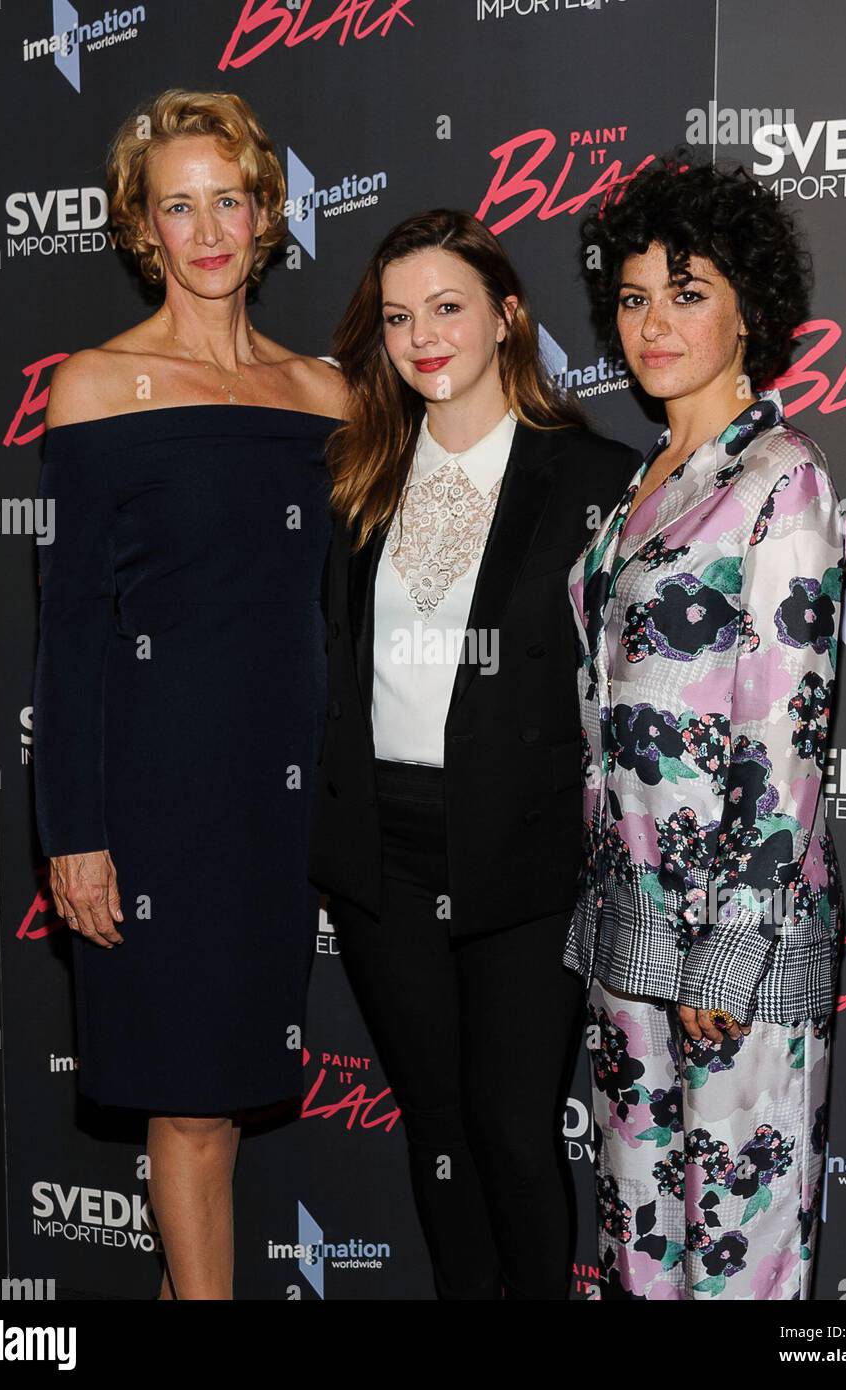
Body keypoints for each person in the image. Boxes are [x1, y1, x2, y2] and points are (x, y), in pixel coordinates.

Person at [32, 88, 349, 1300]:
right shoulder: (96, 389)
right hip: (152, 802)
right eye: (179, 204)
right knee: (194, 1110)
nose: (207, 228)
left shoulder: (325, 394)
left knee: (224, 1099)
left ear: (266, 211)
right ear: (141, 226)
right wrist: (78, 833)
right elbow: (68, 632)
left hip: (279, 804)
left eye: (229, 198)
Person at [308, 208, 640, 1299]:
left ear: (505, 317)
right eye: (398, 317)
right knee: (438, 1129)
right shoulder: (359, 472)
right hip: (381, 858)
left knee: (509, 1130)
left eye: (448, 307)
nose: (423, 337)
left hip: (525, 855)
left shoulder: (596, 480)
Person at [566, 155, 846, 1300]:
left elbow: (788, 738)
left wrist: (727, 954)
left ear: (748, 309)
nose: (654, 322)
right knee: (639, 1257)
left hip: (741, 943)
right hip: (630, 927)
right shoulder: (643, 483)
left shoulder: (783, 479)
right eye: (633, 297)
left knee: (740, 1263)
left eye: (686, 292)